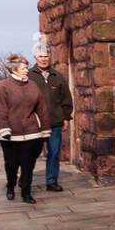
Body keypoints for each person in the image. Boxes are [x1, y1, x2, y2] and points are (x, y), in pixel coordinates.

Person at [0, 53, 50, 203]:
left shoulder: (33, 85)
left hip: (32, 133)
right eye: (24, 67)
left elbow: (42, 109)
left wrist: (45, 129)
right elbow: (1, 110)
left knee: (28, 165)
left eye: (26, 67)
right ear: (15, 70)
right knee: (11, 165)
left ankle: (26, 192)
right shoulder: (4, 86)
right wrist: (4, 129)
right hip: (11, 134)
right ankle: (11, 186)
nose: (27, 70)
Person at [28, 45, 73, 193]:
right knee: (32, 154)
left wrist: (66, 117)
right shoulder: (29, 76)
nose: (44, 59)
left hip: (55, 123)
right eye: (41, 56)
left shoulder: (57, 76)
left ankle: (51, 181)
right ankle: (25, 179)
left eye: (46, 56)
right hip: (35, 123)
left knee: (54, 153)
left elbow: (66, 98)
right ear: (35, 58)